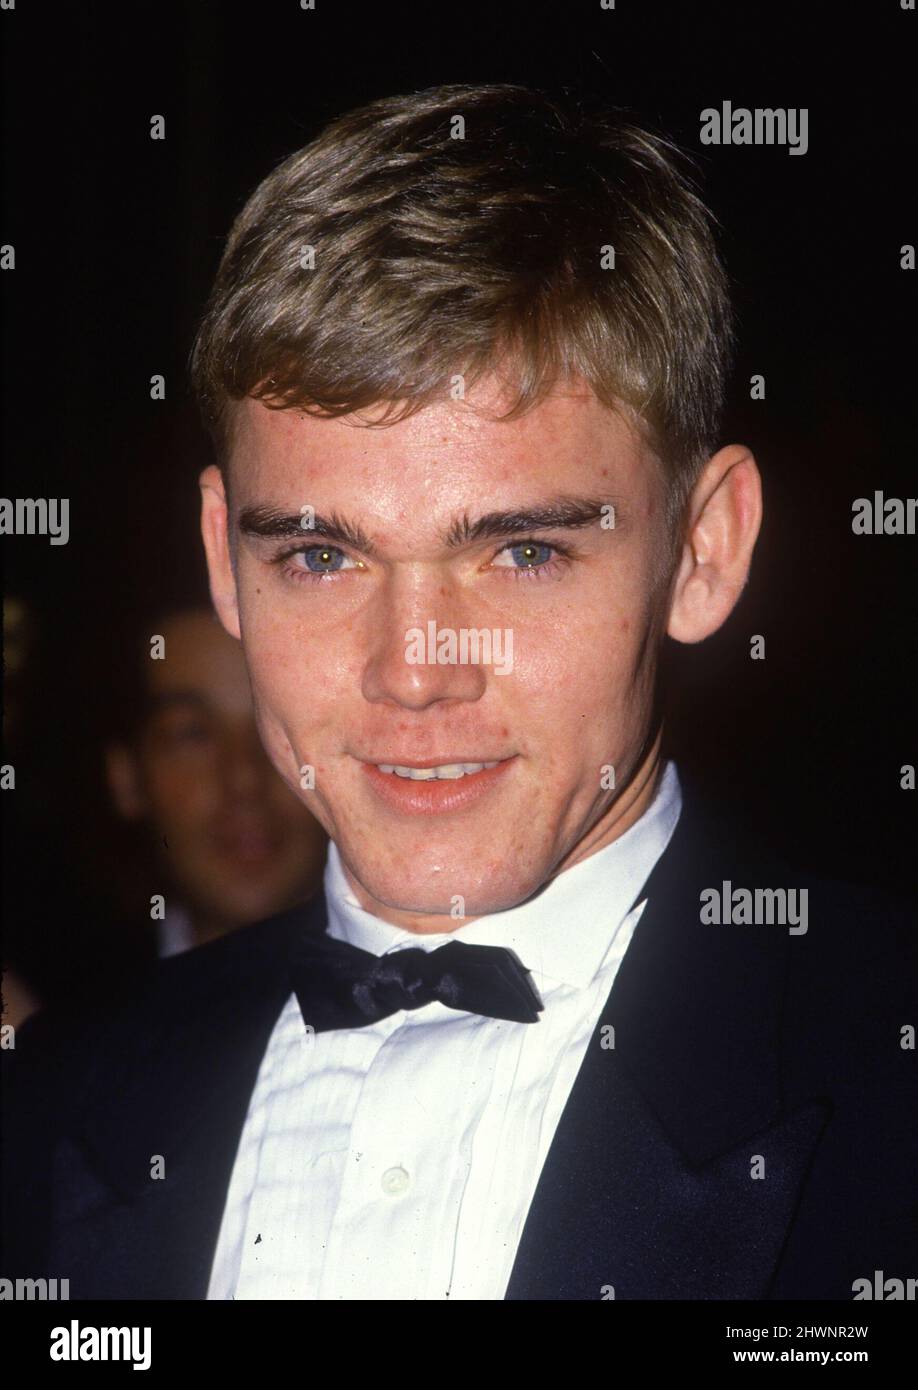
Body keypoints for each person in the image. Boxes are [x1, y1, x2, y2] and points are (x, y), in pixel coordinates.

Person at [4, 83, 916, 1301]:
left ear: (704, 548)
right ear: (225, 557)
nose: (414, 671)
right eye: (322, 556)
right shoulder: (57, 1106)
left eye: (522, 552)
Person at [105, 605, 329, 956]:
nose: (244, 779)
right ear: (128, 779)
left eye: (278, 722)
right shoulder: (76, 1002)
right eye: (192, 734)